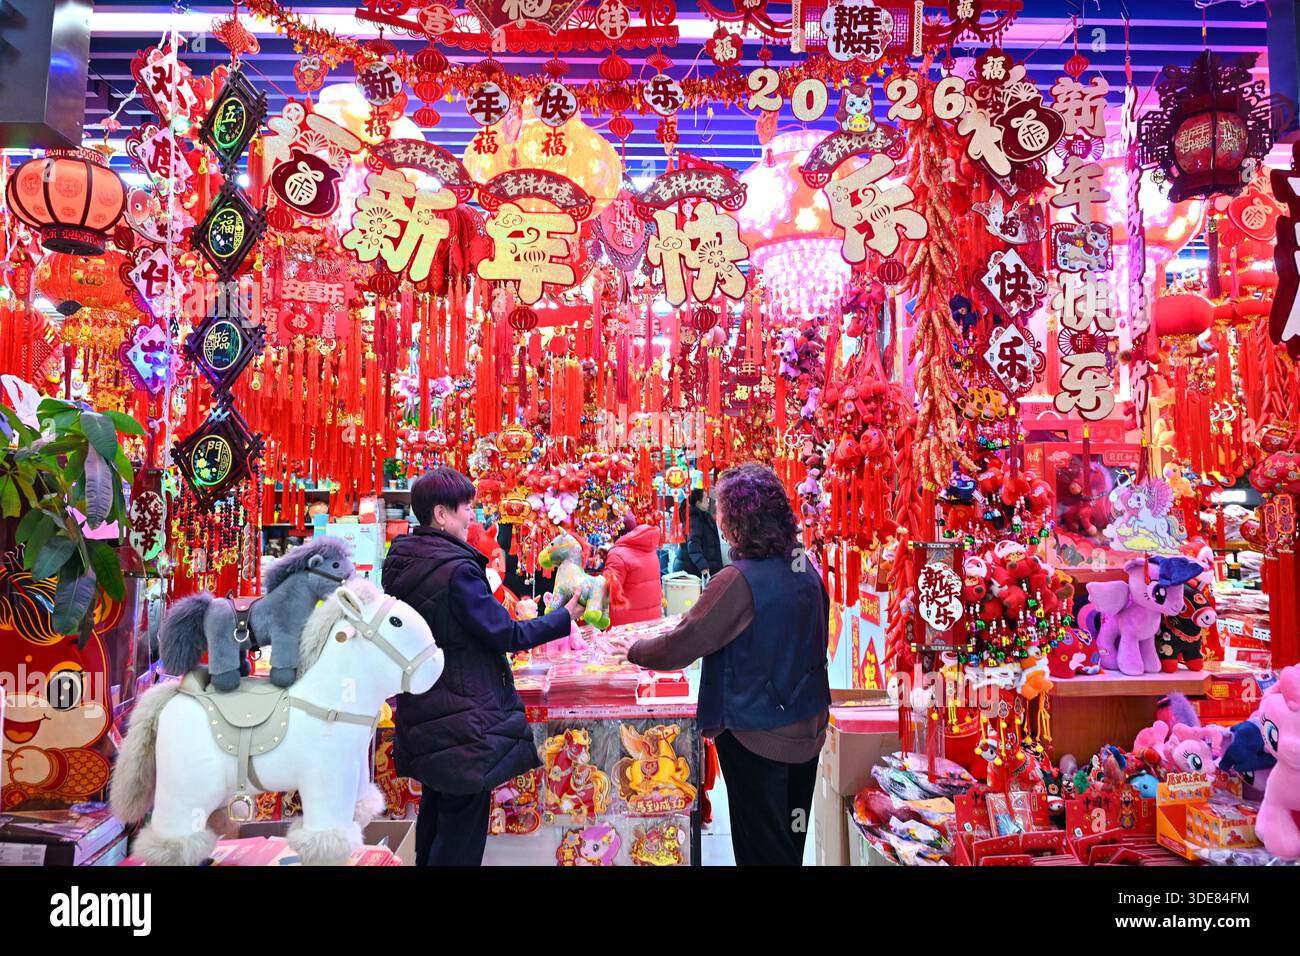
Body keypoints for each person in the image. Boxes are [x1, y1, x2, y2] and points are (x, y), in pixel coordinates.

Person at [623, 463, 830, 866]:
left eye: (723, 516)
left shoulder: (739, 580)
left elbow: (683, 644)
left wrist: (631, 648)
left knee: (762, 849)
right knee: (791, 836)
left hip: (757, 733)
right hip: (808, 726)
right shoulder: (805, 569)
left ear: (737, 521)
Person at [382, 467, 585, 866]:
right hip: (463, 718)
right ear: (441, 514)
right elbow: (506, 633)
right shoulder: (457, 571)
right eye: (466, 507)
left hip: (424, 709)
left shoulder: (403, 560)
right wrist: (564, 616)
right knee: (459, 834)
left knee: (436, 816)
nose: (471, 515)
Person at [604, 511, 664, 627]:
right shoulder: (649, 549)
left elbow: (608, 592)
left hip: (625, 627)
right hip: (650, 624)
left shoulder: (617, 555)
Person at [678, 488, 723, 578]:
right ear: (698, 503)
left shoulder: (703, 517)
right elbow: (693, 544)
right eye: (706, 499)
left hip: (699, 569)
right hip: (695, 571)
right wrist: (703, 566)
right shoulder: (694, 519)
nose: (708, 501)